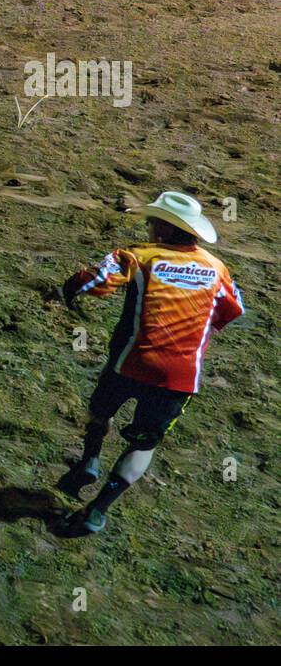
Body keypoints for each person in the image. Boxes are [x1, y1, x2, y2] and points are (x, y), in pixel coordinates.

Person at [56, 192, 244, 535]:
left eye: (152, 222)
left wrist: (68, 289)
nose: (148, 227)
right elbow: (233, 310)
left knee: (100, 410)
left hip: (133, 360)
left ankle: (89, 460)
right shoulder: (217, 269)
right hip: (181, 375)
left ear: (165, 229)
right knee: (144, 443)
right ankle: (97, 511)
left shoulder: (139, 255)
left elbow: (97, 282)